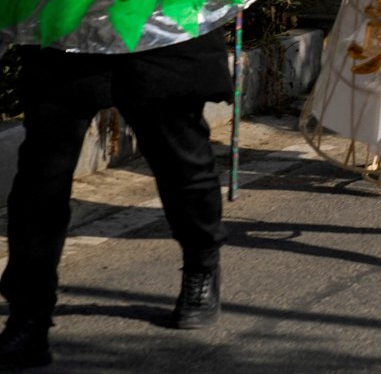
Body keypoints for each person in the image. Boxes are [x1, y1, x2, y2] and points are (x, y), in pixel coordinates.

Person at [0, 27, 234, 362]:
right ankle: (28, 315)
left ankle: (202, 262)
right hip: (71, 25)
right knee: (40, 179)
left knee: (182, 164)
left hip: (162, 27)